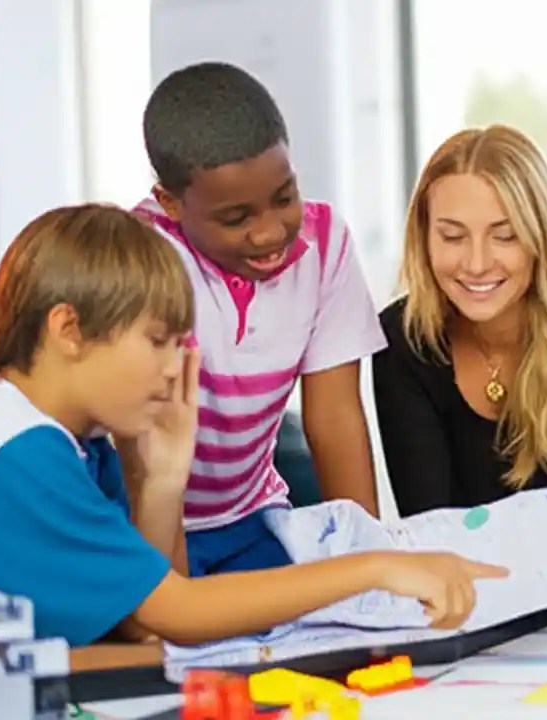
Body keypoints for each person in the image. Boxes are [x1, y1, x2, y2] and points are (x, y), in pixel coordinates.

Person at [0, 205, 505, 648]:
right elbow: (178, 618)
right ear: (69, 330)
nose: (176, 371)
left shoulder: (77, 445)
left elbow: (142, 628)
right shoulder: (15, 449)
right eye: (158, 341)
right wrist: (377, 567)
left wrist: (159, 480)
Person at [133, 61, 387, 578]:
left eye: (283, 198)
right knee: (176, 648)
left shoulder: (326, 243)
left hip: (253, 519)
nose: (270, 232)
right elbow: (131, 442)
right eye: (236, 218)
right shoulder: (137, 257)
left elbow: (334, 416)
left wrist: (369, 567)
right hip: (145, 524)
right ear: (170, 203)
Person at [371, 125, 547, 565]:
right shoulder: (404, 339)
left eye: (505, 235)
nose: (477, 263)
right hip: (455, 611)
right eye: (453, 236)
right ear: (423, 237)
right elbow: (431, 534)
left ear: (543, 237)